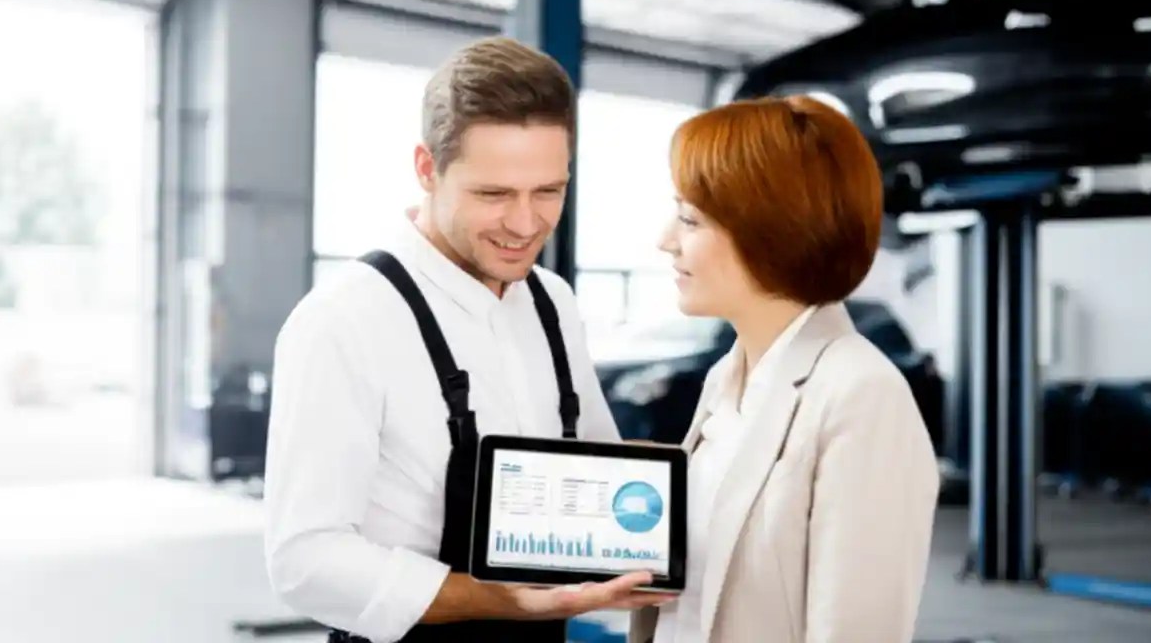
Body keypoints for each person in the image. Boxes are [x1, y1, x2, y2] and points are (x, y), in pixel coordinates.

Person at [264, 36, 671, 643]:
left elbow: (599, 480)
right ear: (428, 169)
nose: (525, 224)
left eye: (548, 191)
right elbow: (304, 561)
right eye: (494, 194)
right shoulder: (344, 318)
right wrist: (501, 600)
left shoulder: (553, 302)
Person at [631, 96, 940, 643]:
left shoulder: (860, 395)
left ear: (768, 231)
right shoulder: (725, 381)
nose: (665, 239)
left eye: (689, 219)